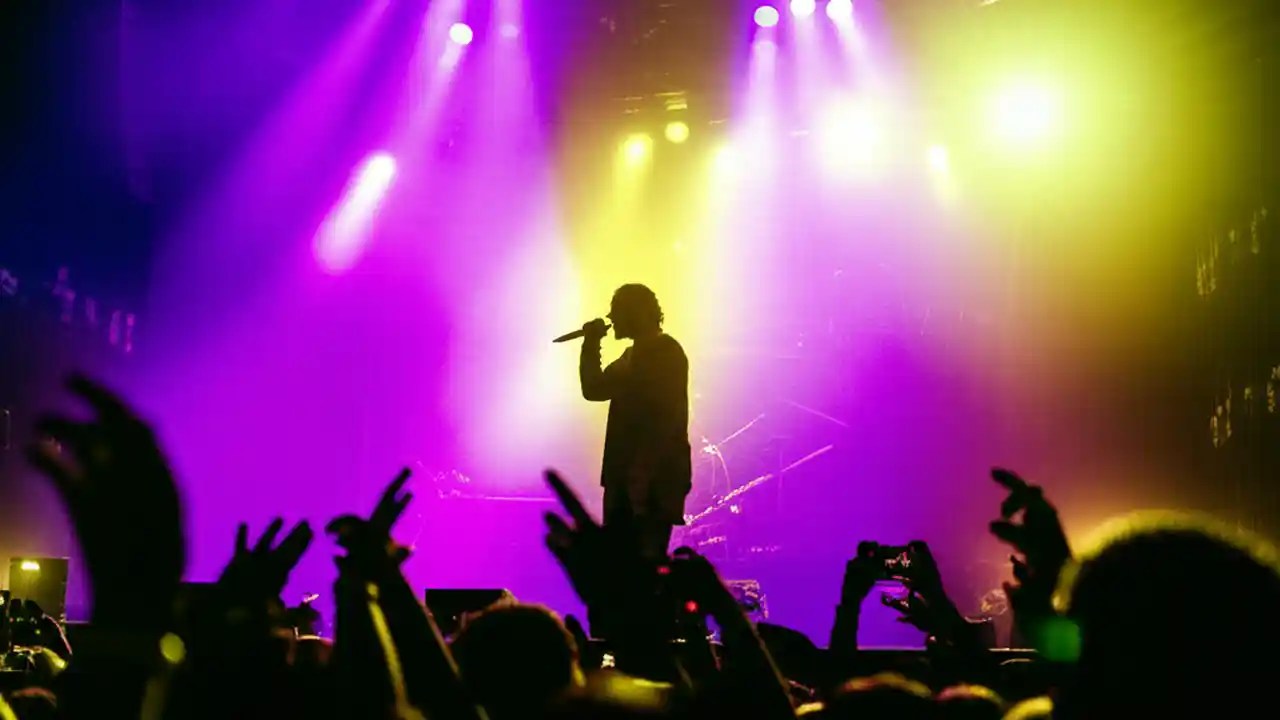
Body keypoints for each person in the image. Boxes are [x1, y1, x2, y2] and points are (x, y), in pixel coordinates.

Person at [577, 284, 692, 562]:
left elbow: (660, 422)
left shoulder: (662, 352)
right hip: (631, 480)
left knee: (636, 571)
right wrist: (591, 344)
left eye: (616, 310)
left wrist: (640, 476)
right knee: (623, 569)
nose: (611, 317)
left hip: (647, 483)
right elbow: (594, 389)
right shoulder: (637, 354)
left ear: (637, 313)